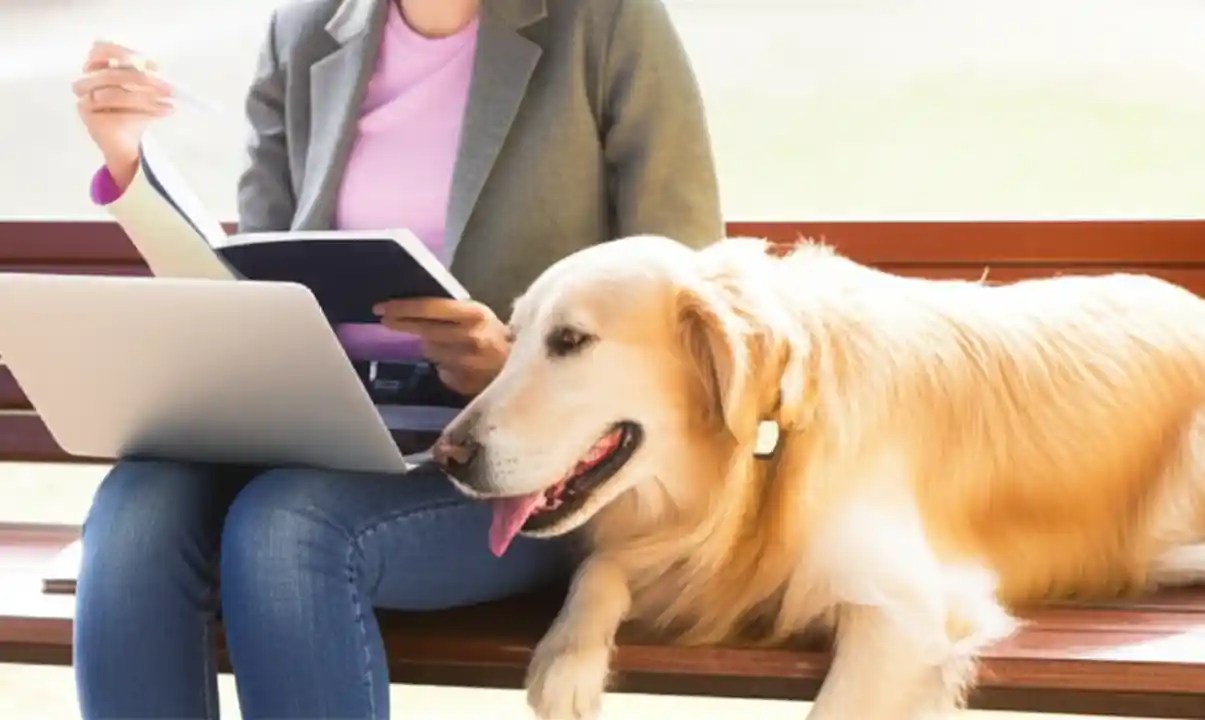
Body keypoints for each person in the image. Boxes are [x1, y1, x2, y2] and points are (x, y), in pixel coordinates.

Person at [70, 0, 722, 717]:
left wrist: (513, 365)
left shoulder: (605, 22)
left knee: (286, 528)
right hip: (322, 428)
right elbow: (251, 285)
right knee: (135, 515)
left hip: (530, 463)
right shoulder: (305, 30)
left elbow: (680, 292)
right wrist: (131, 161)